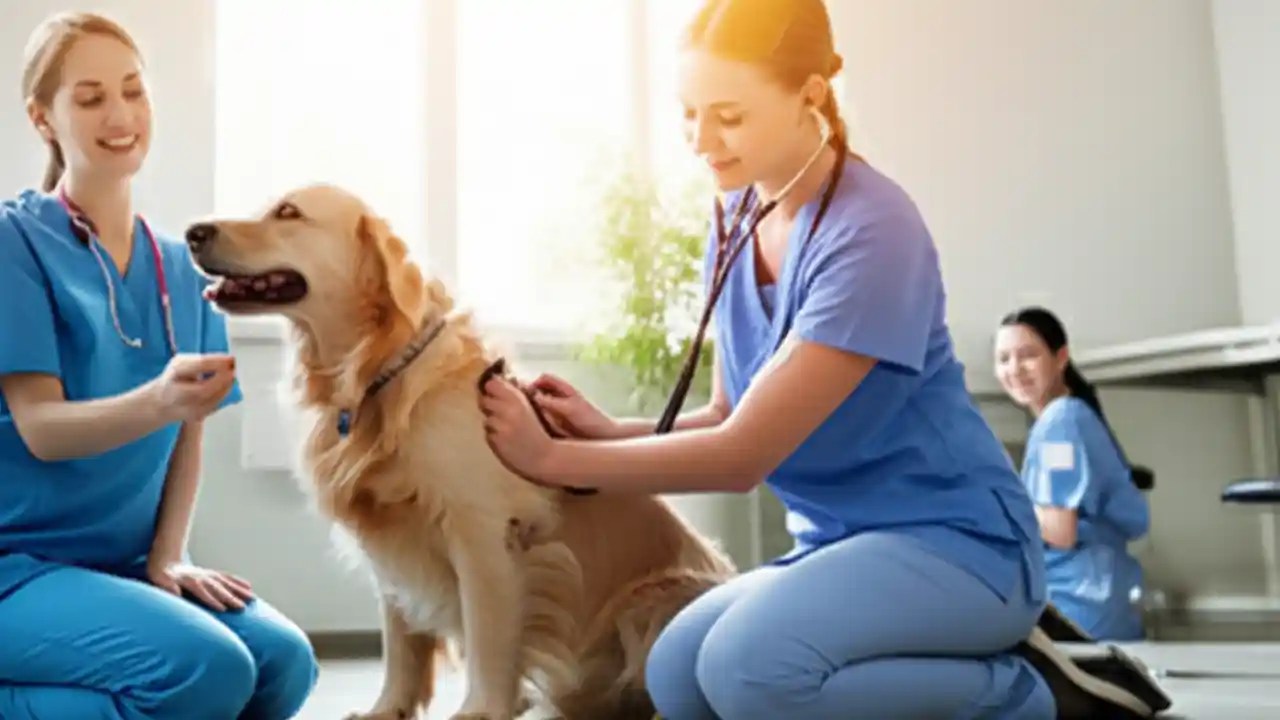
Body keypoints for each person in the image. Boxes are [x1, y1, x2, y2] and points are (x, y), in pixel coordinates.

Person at [477, 1, 1165, 717]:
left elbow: (741, 456)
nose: (699, 139)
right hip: (841, 546)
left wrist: (550, 461)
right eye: (687, 113)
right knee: (678, 672)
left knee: (750, 672)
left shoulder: (874, 230)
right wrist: (606, 430)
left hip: (962, 547)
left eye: (729, 115)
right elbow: (725, 413)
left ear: (809, 93)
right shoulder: (736, 215)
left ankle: (1035, 694)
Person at [0, 12, 317, 719]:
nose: (120, 115)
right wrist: (159, 401)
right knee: (207, 671)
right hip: (18, 569)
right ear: (43, 119)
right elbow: (42, 428)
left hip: (125, 571)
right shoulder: (14, 242)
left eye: (133, 91)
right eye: (90, 99)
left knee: (282, 665)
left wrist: (169, 557)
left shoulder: (180, 264)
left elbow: (190, 436)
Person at [995, 306, 1151, 642]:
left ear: (1060, 357)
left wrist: (995, 505)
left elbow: (1058, 530)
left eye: (1027, 356)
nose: (1014, 369)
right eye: (1003, 359)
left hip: (1076, 607)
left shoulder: (1060, 424)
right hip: (1100, 598)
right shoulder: (1070, 417)